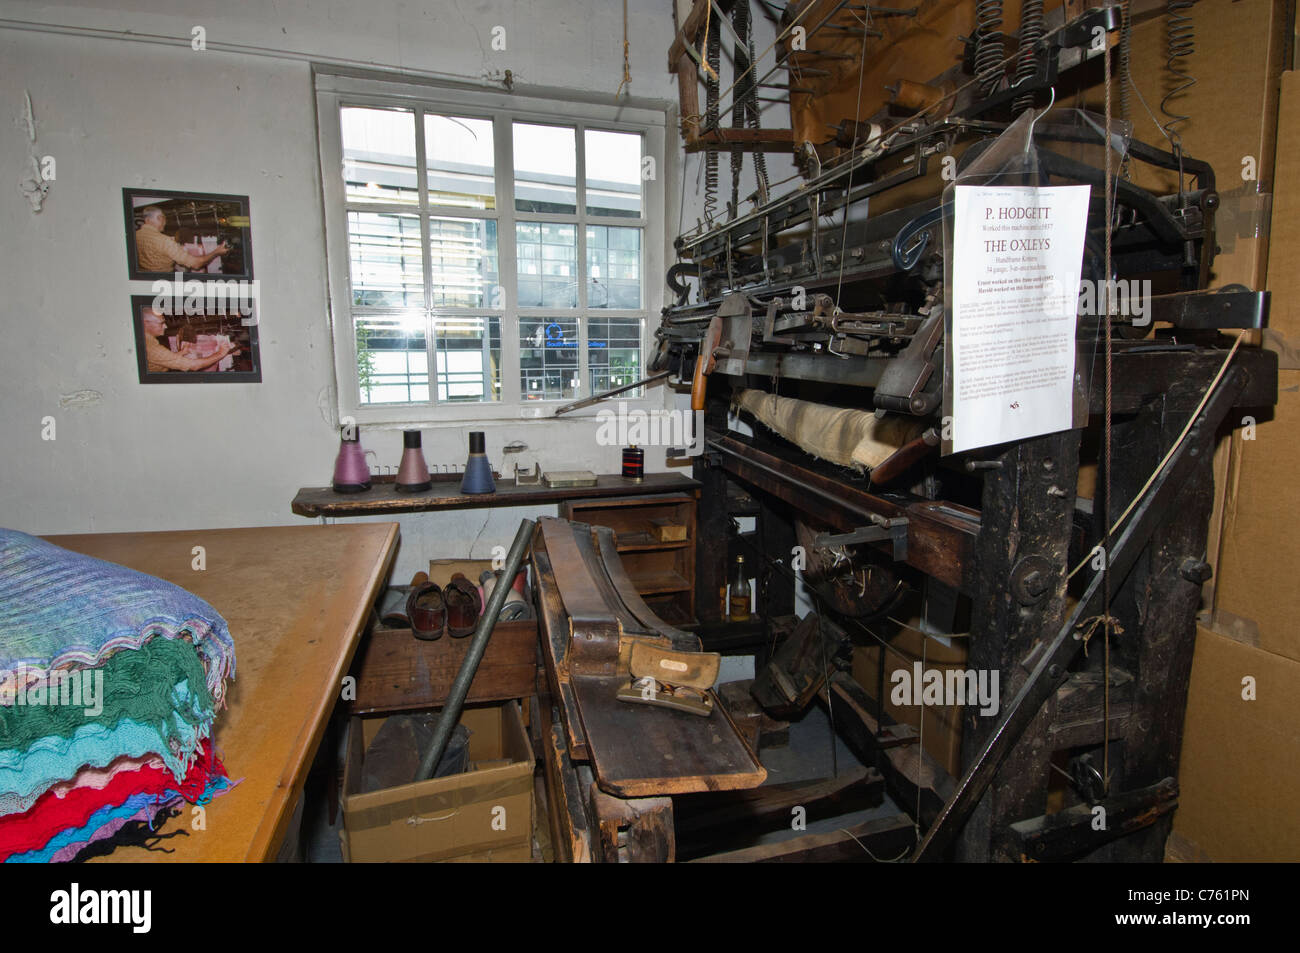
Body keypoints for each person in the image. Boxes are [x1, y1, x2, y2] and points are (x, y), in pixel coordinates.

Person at [134, 206, 230, 273]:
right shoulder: (165, 241)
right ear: (160, 218)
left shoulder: (135, 236)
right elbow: (196, 264)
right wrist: (217, 252)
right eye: (165, 218)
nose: (165, 222)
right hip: (163, 281)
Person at [140, 308, 238, 373]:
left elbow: (165, 360)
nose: (165, 326)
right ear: (145, 323)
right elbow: (194, 366)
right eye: (161, 323)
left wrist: (182, 352)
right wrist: (220, 353)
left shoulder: (149, 341)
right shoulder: (149, 346)